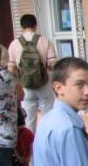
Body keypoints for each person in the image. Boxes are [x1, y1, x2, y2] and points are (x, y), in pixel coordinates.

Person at [7, 14, 57, 142]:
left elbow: (11, 69)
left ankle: (31, 155)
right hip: (44, 85)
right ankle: (48, 146)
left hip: (25, 87)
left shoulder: (14, 44)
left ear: (21, 27)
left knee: (29, 121)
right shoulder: (45, 41)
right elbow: (52, 64)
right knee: (49, 118)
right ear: (35, 25)